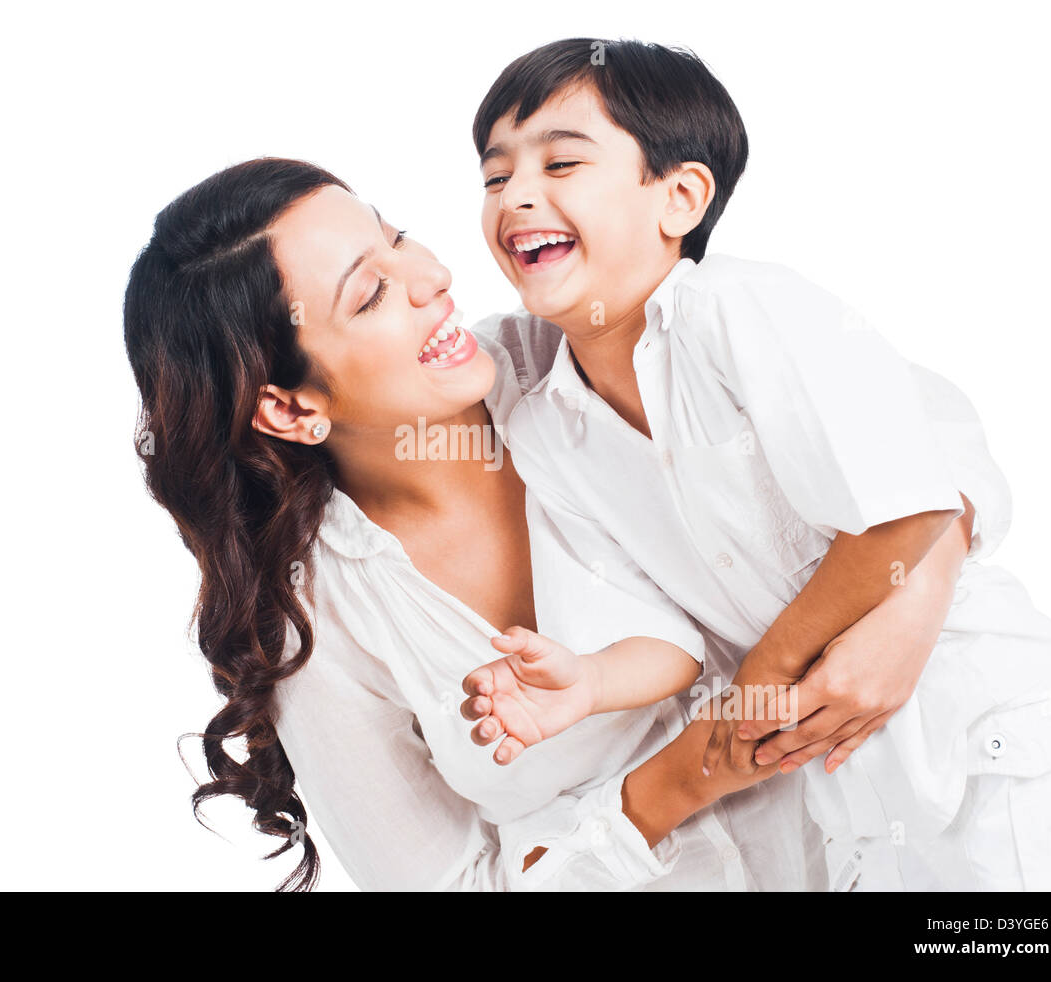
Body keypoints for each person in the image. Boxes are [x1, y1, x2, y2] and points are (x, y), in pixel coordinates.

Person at [121, 156, 997, 891]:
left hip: (916, 849)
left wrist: (914, 599)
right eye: (371, 294)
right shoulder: (320, 622)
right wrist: (686, 778)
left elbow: (928, 440)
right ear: (287, 406)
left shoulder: (574, 353)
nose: (432, 277)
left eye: (394, 235)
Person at [460, 37, 1051, 890]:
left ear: (681, 197)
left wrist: (763, 676)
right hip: (855, 797)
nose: (517, 197)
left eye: (562, 163)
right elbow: (666, 638)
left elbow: (909, 512)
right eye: (496, 177)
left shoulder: (736, 308)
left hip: (996, 735)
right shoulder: (543, 421)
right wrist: (589, 682)